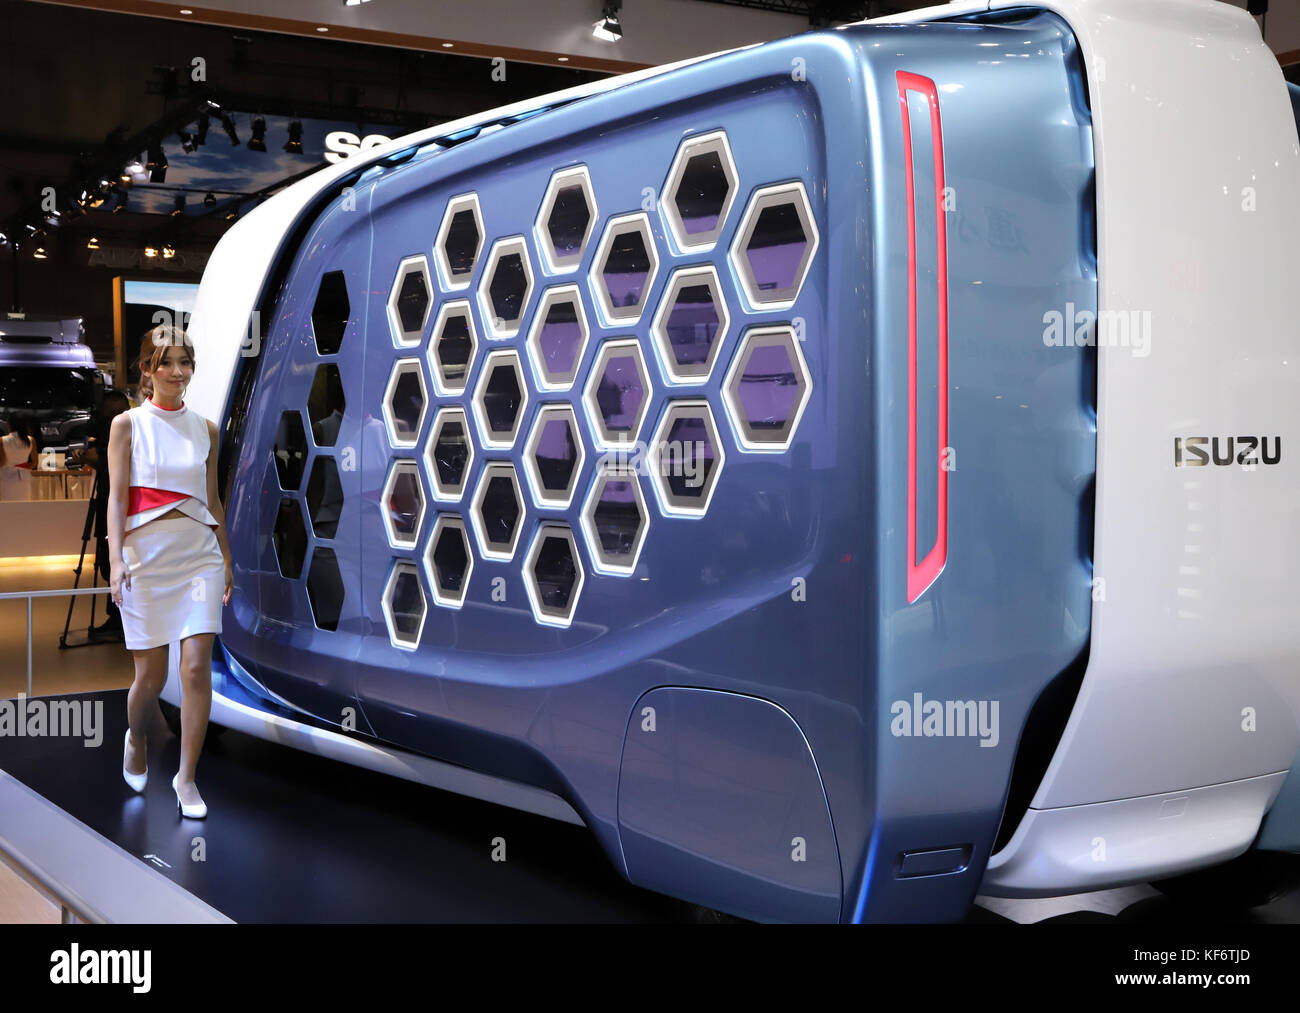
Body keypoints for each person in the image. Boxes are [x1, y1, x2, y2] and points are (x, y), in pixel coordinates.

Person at [107, 324, 232, 819]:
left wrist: (226, 560)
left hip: (199, 553)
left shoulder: (207, 428)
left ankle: (186, 778)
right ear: (147, 369)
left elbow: (213, 498)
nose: (178, 373)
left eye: (186, 362)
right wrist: (116, 561)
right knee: (151, 678)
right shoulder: (128, 425)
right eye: (167, 363)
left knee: (196, 667)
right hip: (145, 558)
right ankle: (136, 736)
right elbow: (117, 502)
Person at [83, 390, 130, 640]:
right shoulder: (102, 433)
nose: (116, 418)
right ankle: (115, 617)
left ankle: (123, 620)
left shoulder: (133, 432)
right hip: (106, 503)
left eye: (120, 412)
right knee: (105, 559)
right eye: (110, 413)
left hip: (128, 508)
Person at [0, 413, 39, 501]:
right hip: (24, 477)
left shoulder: (2, 440)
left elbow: (1, 462)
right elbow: (34, 462)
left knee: (8, 507)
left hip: (6, 477)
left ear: (9, 424)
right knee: (24, 506)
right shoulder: (30, 440)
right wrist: (24, 468)